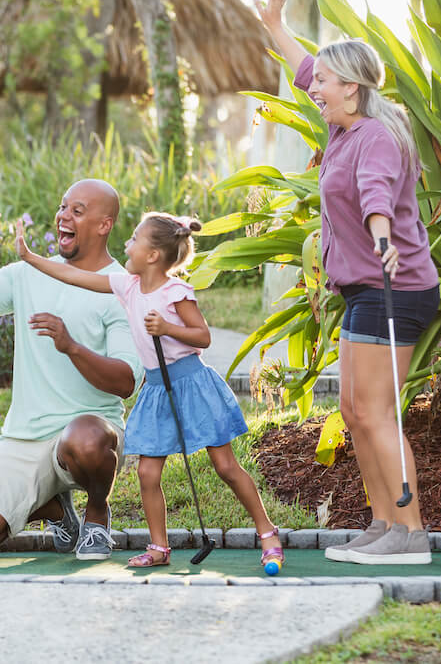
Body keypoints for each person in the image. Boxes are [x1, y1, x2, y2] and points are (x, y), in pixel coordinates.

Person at [257, 0, 440, 565]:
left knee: (376, 410)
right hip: (365, 289)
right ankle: (383, 523)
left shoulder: (377, 138)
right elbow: (305, 65)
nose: (316, 89)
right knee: (355, 411)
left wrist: (384, 239)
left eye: (328, 83)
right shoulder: (344, 125)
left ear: (354, 88)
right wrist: (274, 26)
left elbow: (375, 196)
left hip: (396, 285)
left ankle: (411, 535)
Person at [15, 213, 286, 570]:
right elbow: (78, 276)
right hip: (158, 390)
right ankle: (159, 547)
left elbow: (202, 336)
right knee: (147, 473)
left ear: (153, 255)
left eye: (134, 239)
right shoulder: (128, 286)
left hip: (192, 385)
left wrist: (168, 327)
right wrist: (31, 258)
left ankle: (267, 533)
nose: (127, 244)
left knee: (225, 466)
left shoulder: (176, 292)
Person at [0, 179, 143, 559]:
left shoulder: (121, 289)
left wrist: (71, 347)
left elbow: (125, 382)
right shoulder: (27, 273)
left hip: (90, 435)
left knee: (83, 438)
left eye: (76, 211)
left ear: (104, 224)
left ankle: (96, 517)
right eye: (63, 207)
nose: (63, 216)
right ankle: (55, 508)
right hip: (24, 438)